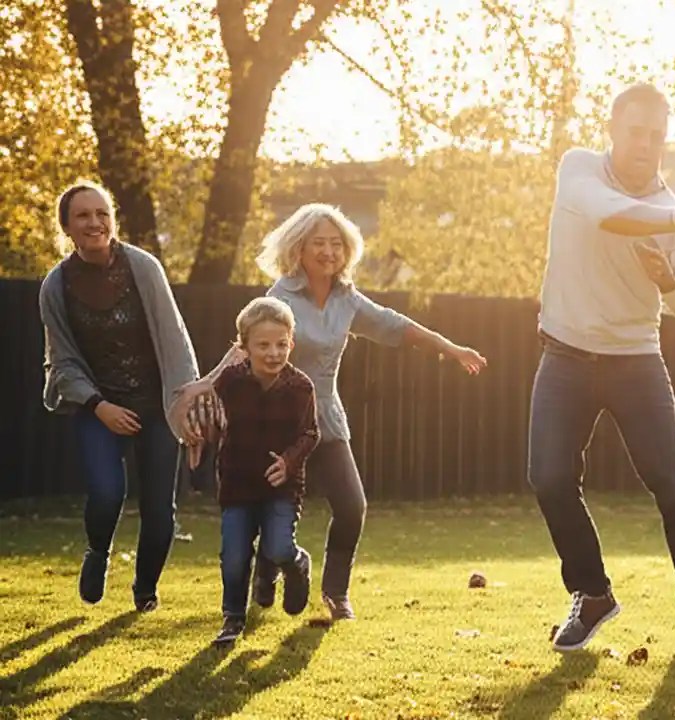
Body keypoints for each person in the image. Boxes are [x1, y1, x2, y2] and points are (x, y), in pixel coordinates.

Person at [182, 203, 486, 621]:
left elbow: (395, 325)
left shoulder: (347, 298)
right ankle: (267, 572)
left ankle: (336, 591)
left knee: (351, 506)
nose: (328, 251)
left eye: (336, 244)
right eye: (318, 243)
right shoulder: (280, 296)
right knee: (263, 503)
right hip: (272, 420)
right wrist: (207, 381)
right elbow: (244, 346)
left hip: (323, 414)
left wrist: (449, 348)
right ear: (299, 248)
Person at [529, 83, 675, 653]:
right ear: (613, 130)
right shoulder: (579, 170)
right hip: (565, 354)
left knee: (671, 482)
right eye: (635, 132)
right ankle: (592, 594)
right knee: (548, 477)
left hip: (636, 359)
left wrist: (668, 280)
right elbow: (608, 216)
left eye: (656, 136)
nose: (645, 145)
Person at [39, 180, 203, 611]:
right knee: (108, 492)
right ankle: (98, 551)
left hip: (157, 406)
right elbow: (62, 362)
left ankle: (145, 590)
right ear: (67, 228)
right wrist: (100, 406)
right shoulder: (55, 287)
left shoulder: (143, 268)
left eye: (102, 214)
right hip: (99, 408)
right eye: (83, 216)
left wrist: (186, 403)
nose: (94, 222)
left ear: (112, 220)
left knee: (159, 509)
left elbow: (175, 338)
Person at [195, 297, 320, 646]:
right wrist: (197, 436)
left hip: (282, 484)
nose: (273, 353)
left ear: (291, 344)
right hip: (237, 482)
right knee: (234, 555)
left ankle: (294, 564)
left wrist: (288, 461)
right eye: (263, 345)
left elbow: (311, 433)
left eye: (281, 344)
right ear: (243, 347)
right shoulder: (230, 382)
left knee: (279, 546)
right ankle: (233, 619)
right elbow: (210, 417)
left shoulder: (300, 387)